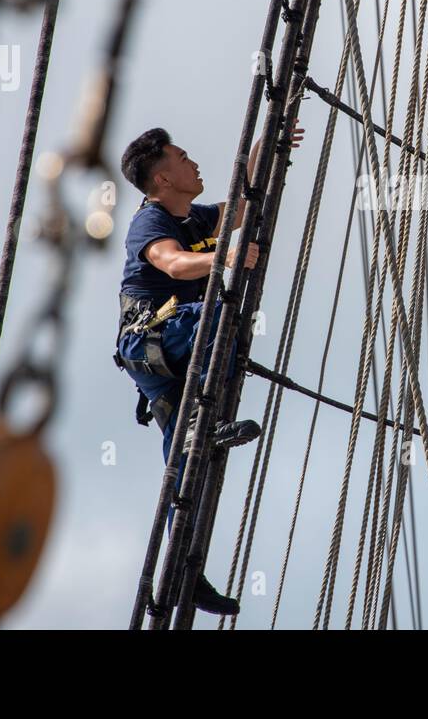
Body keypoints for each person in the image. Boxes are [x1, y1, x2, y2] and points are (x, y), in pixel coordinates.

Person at [113, 122, 303, 616]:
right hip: (154, 338)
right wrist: (229, 256)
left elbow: (239, 209)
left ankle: (179, 577)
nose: (193, 161)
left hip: (166, 359)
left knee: (185, 464)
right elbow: (173, 265)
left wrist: (267, 143)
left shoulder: (194, 218)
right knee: (223, 308)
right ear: (162, 180)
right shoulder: (150, 224)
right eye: (181, 156)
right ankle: (203, 420)